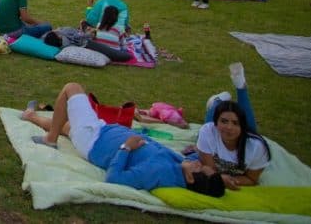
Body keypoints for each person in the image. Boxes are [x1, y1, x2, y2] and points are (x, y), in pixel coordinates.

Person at [21, 82, 225, 196]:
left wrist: (126, 147)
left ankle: (50, 139)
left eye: (199, 168)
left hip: (94, 140)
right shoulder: (181, 167)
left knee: (71, 88)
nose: (198, 163)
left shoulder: (157, 173)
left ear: (191, 179)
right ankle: (32, 116)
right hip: (101, 133)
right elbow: (197, 161)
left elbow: (114, 178)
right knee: (66, 127)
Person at [198, 63, 272, 188]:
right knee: (210, 123)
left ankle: (240, 87)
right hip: (213, 127)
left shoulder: (256, 147)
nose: (229, 127)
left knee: (251, 128)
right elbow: (209, 168)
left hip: (244, 134)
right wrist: (221, 179)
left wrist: (225, 180)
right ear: (216, 123)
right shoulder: (208, 131)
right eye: (224, 122)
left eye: (236, 123)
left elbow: (252, 179)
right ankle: (217, 101)